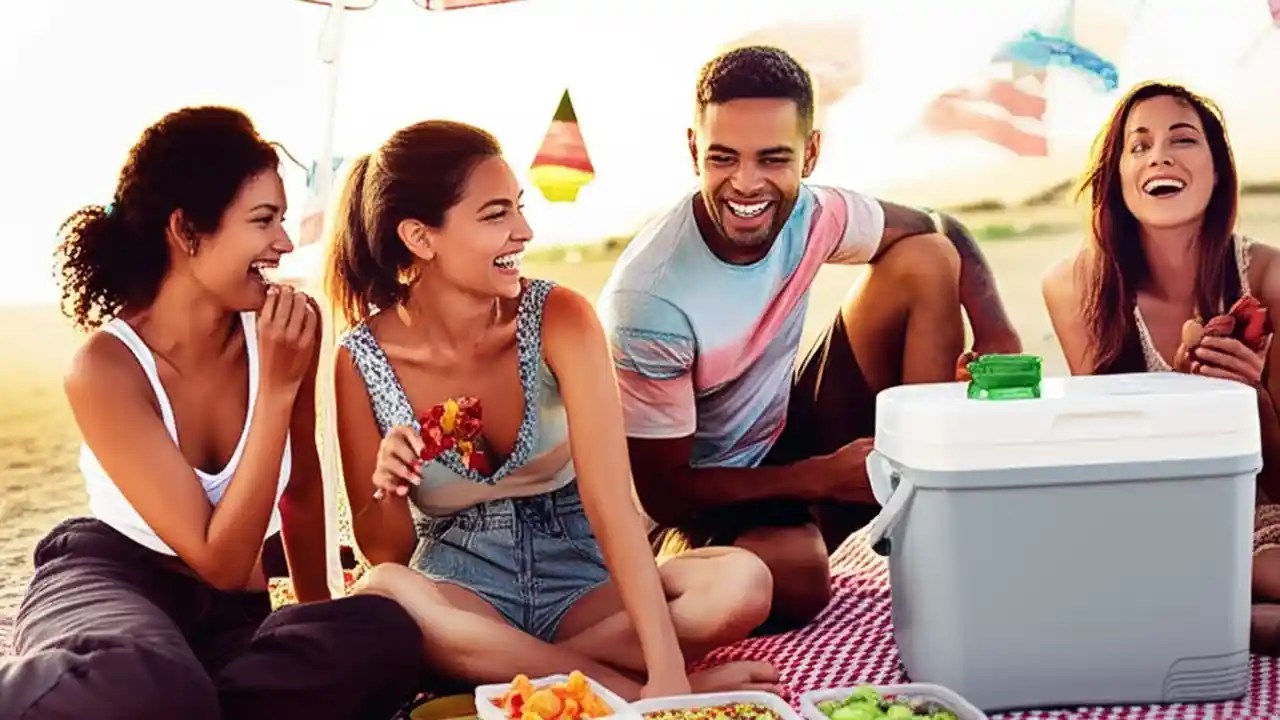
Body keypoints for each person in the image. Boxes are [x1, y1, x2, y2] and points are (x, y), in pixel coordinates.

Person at [325, 119, 778, 701]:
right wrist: (387, 486)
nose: (524, 231)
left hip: (581, 577)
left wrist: (666, 664)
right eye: (495, 215)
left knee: (742, 583)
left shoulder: (560, 318)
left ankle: (495, 672)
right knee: (383, 591)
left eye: (518, 207)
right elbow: (387, 554)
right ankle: (618, 691)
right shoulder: (361, 359)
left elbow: (611, 505)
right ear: (420, 237)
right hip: (461, 582)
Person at [0, 107, 426, 720]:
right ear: (186, 231)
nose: (283, 242)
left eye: (282, 219)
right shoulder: (107, 368)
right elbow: (222, 561)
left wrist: (315, 614)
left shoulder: (285, 326)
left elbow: (303, 491)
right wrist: (275, 391)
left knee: (382, 633)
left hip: (226, 619)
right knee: (146, 681)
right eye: (262, 221)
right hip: (115, 580)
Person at [598, 45, 1023, 633]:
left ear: (811, 153)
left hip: (786, 427)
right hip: (708, 492)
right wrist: (819, 476)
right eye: (723, 158)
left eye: (773, 158)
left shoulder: (814, 214)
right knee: (798, 578)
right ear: (694, 150)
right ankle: (797, 529)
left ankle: (926, 511)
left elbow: (941, 227)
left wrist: (997, 329)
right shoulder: (650, 300)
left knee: (925, 259)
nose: (746, 184)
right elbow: (665, 495)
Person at [1039, 81, 1280, 653]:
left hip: (1255, 509)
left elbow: (1278, 476)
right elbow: (1111, 462)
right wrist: (1173, 397)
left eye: (1183, 139)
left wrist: (1252, 400)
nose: (1160, 156)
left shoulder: (1268, 279)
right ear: (1119, 177)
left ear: (1218, 171)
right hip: (1141, 516)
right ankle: (1230, 620)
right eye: (1138, 146)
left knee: (1266, 571)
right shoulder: (1077, 286)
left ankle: (1208, 618)